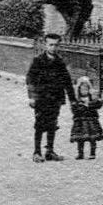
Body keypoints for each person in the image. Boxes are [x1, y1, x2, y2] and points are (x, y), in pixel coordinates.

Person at [26, 32, 77, 163]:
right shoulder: (38, 61)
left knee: (53, 123)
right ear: (45, 45)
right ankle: (37, 152)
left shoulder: (60, 62)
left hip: (56, 98)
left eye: (56, 45)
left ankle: (49, 151)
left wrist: (73, 100)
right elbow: (30, 79)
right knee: (40, 123)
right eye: (51, 45)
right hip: (41, 98)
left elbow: (67, 81)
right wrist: (32, 97)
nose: (53, 48)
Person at [69, 76, 103, 160]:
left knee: (92, 137)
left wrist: (89, 104)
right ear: (79, 90)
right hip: (80, 121)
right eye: (82, 89)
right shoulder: (76, 100)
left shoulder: (92, 99)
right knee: (80, 138)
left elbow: (98, 105)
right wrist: (82, 106)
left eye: (86, 89)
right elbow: (74, 109)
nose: (84, 91)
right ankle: (80, 153)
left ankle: (92, 153)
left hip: (91, 120)